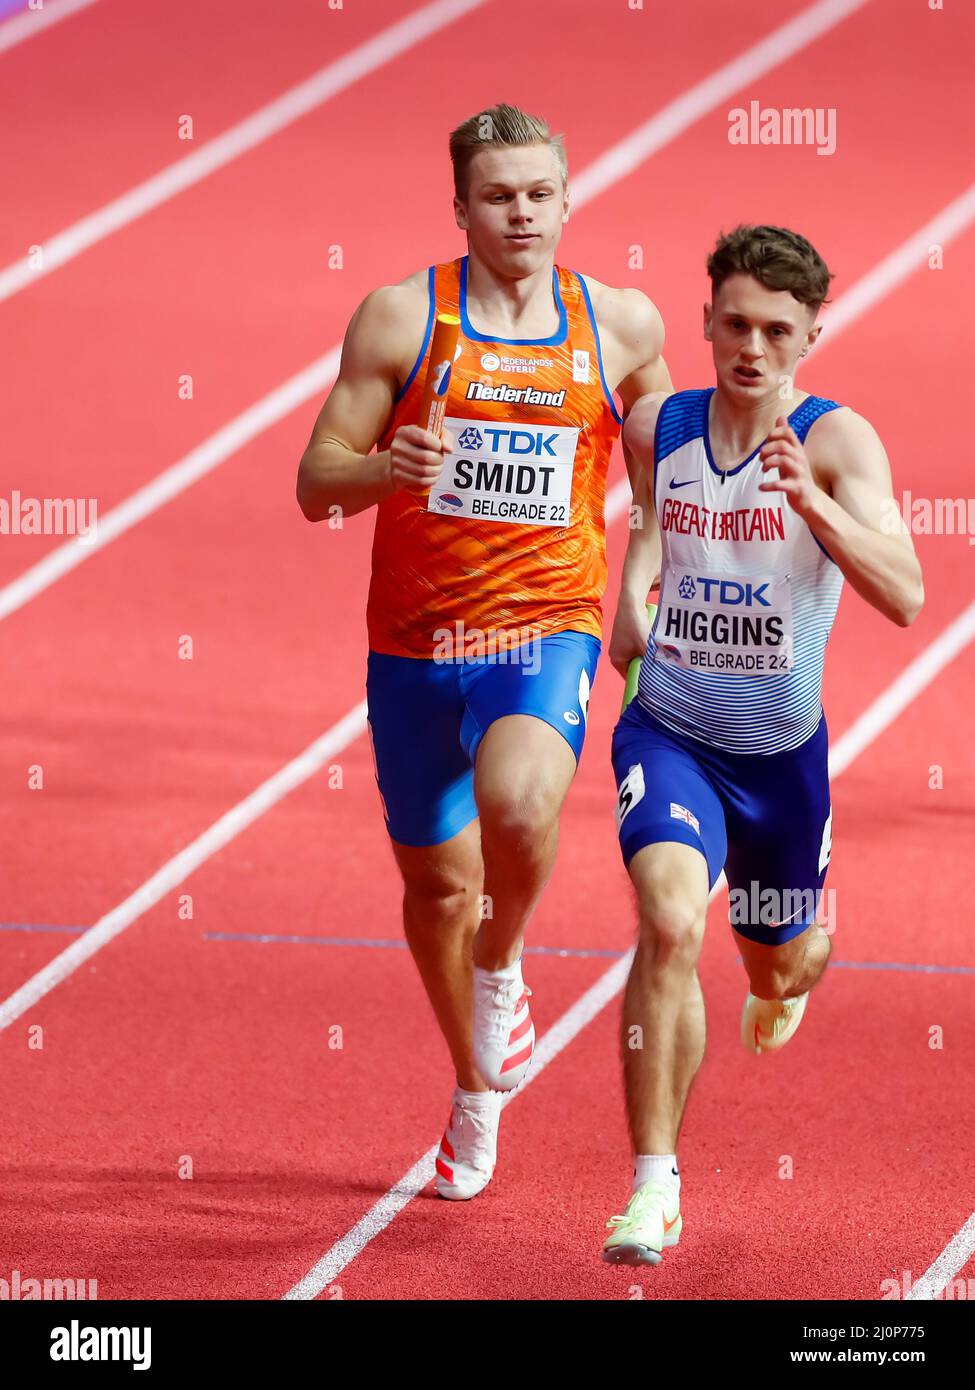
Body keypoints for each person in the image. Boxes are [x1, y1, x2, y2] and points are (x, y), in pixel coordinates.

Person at [296, 104, 671, 1200]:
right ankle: (472, 1085)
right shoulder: (401, 317)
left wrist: (640, 587)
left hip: (540, 625)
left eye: (539, 193)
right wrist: (384, 471)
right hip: (412, 645)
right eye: (499, 195)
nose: (522, 212)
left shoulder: (622, 325)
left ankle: (505, 967)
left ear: (567, 199)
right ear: (459, 207)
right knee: (435, 890)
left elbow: (665, 473)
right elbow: (317, 479)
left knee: (517, 807)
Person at [602, 224, 923, 1264]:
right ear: (705, 321)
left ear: (810, 337)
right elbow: (651, 523)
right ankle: (655, 1187)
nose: (752, 346)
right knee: (665, 918)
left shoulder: (838, 441)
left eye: (777, 330)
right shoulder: (660, 424)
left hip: (781, 763)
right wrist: (630, 597)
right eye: (735, 322)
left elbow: (908, 595)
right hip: (674, 727)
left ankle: (785, 973)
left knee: (781, 966)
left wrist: (815, 505)